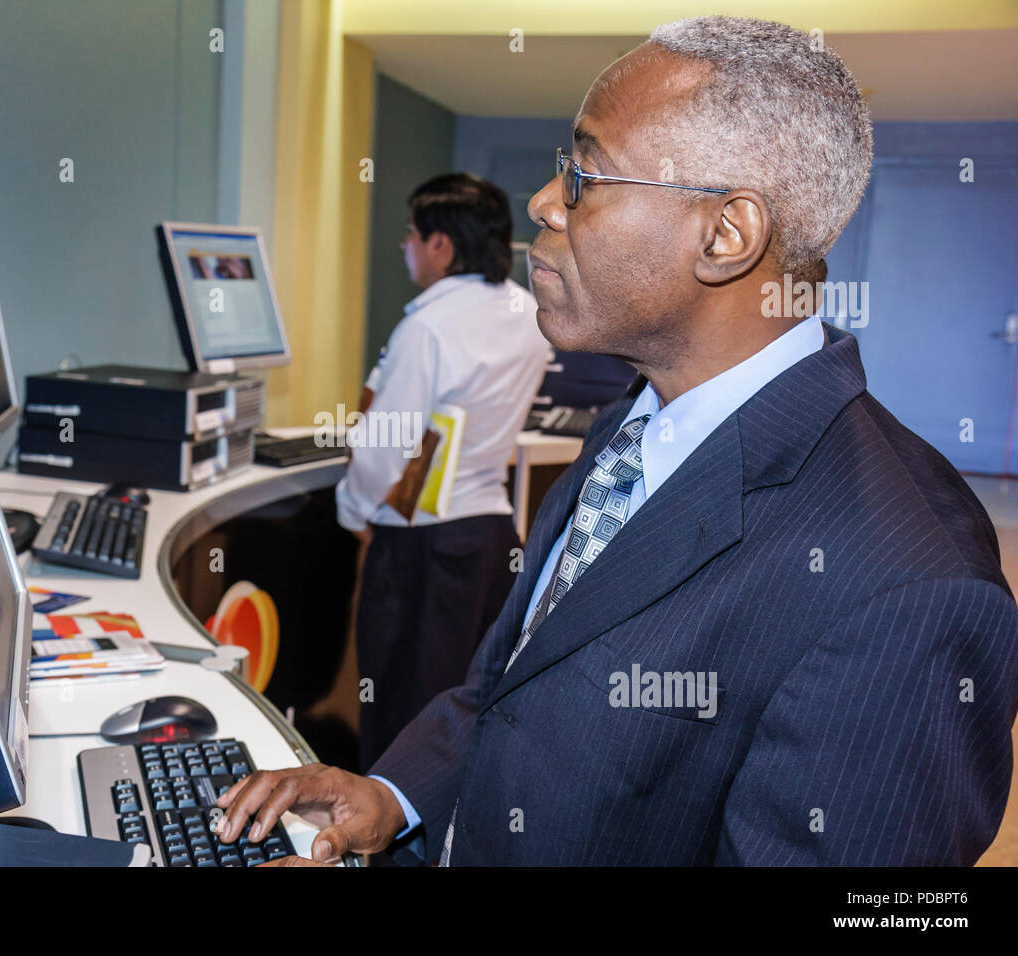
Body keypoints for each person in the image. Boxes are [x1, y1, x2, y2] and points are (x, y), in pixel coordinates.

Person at [217, 15, 1018, 866]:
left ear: (726, 235)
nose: (540, 205)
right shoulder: (634, 426)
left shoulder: (912, 586)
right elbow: (509, 689)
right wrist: (394, 795)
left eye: (583, 174)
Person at [336, 172, 550, 771]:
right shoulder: (527, 314)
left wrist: (353, 513)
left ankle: (382, 854)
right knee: (465, 709)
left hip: (420, 549)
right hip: (490, 541)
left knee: (400, 714)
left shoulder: (426, 327)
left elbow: (382, 449)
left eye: (411, 233)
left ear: (440, 245)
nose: (405, 245)